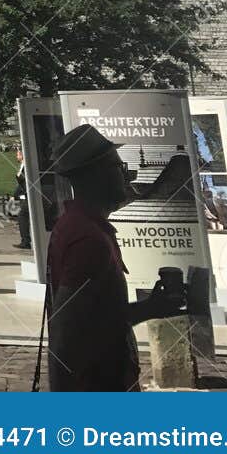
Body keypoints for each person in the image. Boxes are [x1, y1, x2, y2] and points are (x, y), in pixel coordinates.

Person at [45, 124, 186, 392]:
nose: (127, 177)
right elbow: (65, 331)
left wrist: (151, 308)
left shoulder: (79, 226)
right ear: (97, 175)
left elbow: (99, 320)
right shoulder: (88, 241)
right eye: (120, 169)